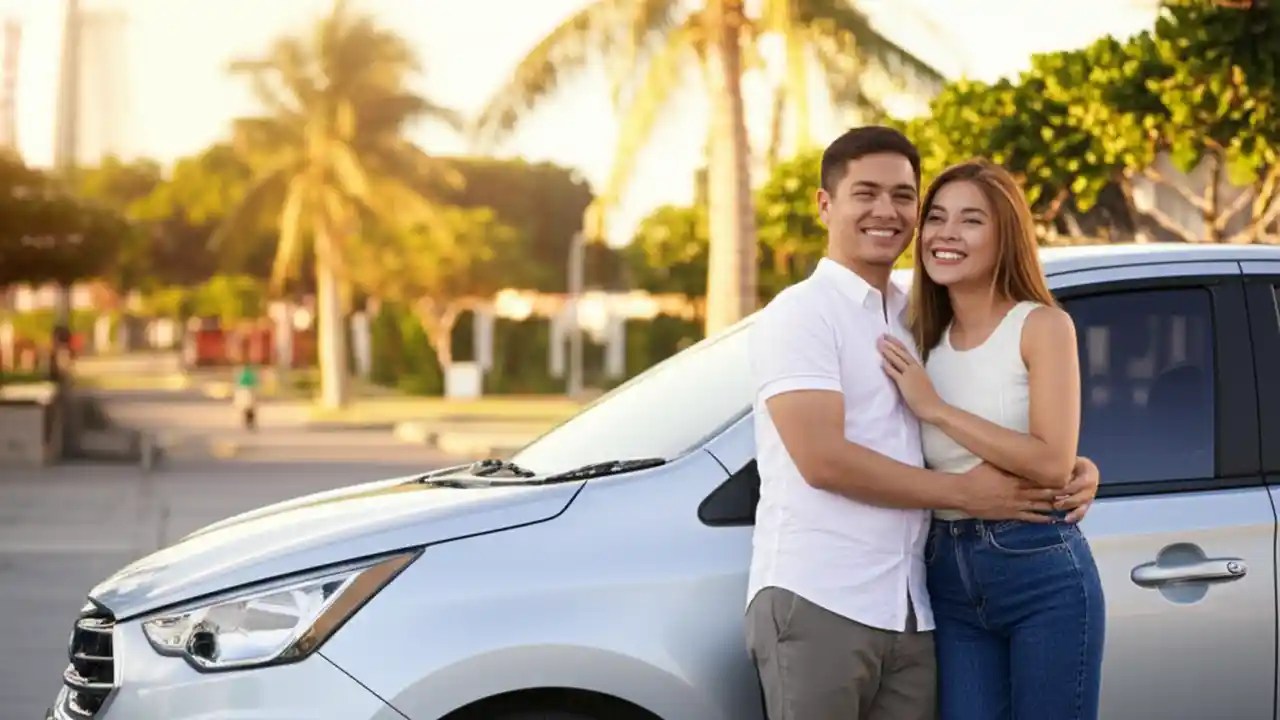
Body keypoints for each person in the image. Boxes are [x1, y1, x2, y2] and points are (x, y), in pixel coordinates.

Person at [745, 126, 1100, 720]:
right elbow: (822, 459)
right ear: (825, 204)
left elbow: (997, 418)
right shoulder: (801, 314)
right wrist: (965, 493)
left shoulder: (915, 316)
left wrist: (1076, 466)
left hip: (915, 606)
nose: (888, 211)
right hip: (823, 596)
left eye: (904, 197)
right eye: (866, 193)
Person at [878, 158, 1105, 720]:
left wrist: (937, 409)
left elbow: (1052, 463)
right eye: (936, 217)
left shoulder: (1042, 326)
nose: (946, 233)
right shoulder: (914, 335)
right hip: (945, 576)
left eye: (971, 220)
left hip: (1039, 569)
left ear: (1006, 237)